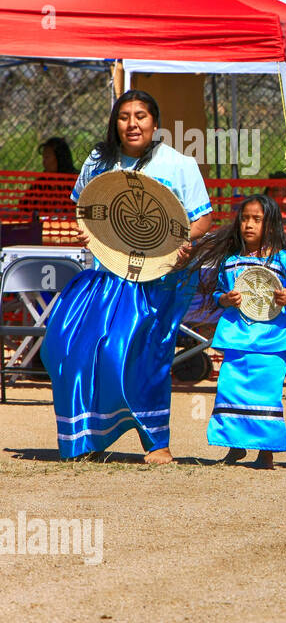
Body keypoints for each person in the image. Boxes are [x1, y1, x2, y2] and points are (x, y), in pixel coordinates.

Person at [41, 90, 213, 462]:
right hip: (105, 275)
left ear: (155, 122)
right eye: (124, 117)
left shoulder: (178, 164)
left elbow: (202, 219)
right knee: (69, 348)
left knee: (139, 356)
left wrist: (183, 243)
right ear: (115, 123)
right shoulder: (98, 161)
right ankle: (85, 438)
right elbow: (82, 209)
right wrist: (84, 231)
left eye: (140, 116)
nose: (132, 124)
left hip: (156, 280)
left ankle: (157, 444)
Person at [189, 195, 286, 469]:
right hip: (238, 338)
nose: (248, 225)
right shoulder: (230, 261)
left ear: (271, 226)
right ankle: (235, 446)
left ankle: (265, 451)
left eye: (257, 219)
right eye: (245, 218)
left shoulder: (283, 260)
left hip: (272, 340)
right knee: (231, 389)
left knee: (266, 394)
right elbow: (218, 293)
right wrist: (225, 299)